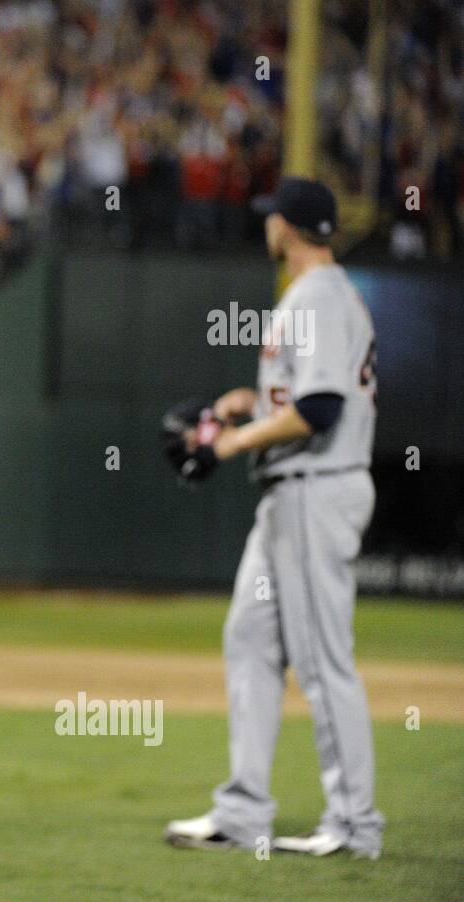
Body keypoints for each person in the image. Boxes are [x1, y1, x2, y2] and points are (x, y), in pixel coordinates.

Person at [164, 177, 384, 859]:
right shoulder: (315, 296)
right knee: (250, 639)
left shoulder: (318, 296)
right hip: (291, 490)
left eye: (272, 218)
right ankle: (243, 812)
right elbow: (302, 401)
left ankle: (353, 826)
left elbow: (320, 410)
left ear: (287, 226)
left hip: (318, 488)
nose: (267, 227)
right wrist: (246, 405)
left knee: (322, 661)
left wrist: (231, 441)